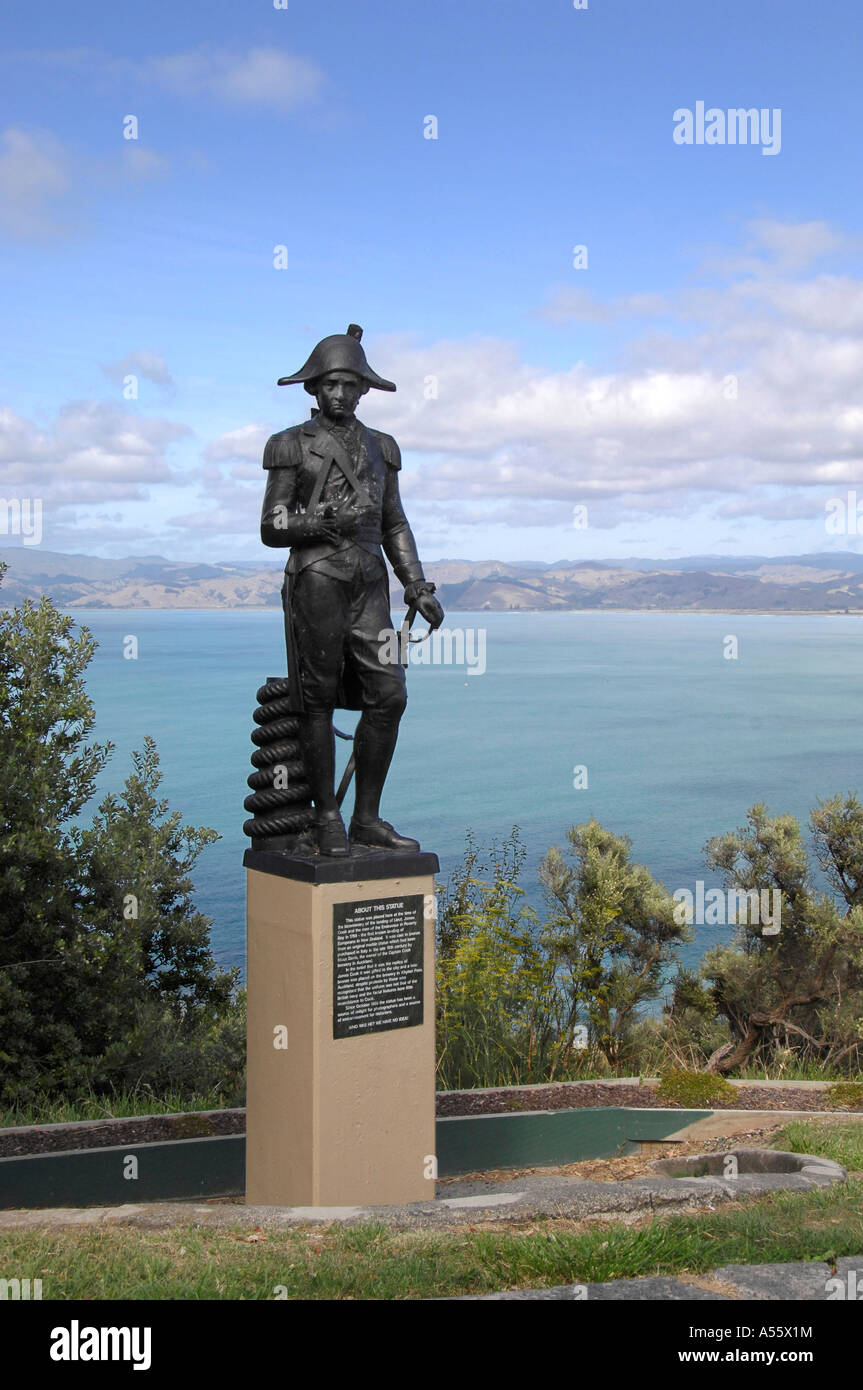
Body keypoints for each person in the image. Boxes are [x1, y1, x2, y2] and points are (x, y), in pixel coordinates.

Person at [260, 325, 444, 857]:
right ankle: (326, 819)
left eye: (348, 385)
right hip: (317, 577)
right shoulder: (290, 444)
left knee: (389, 694)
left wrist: (415, 583)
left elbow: (394, 524)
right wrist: (316, 521)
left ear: (364, 389)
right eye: (329, 385)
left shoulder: (382, 448)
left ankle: (366, 817)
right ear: (313, 389)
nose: (338, 395)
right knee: (316, 700)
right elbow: (272, 527)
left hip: (370, 585)